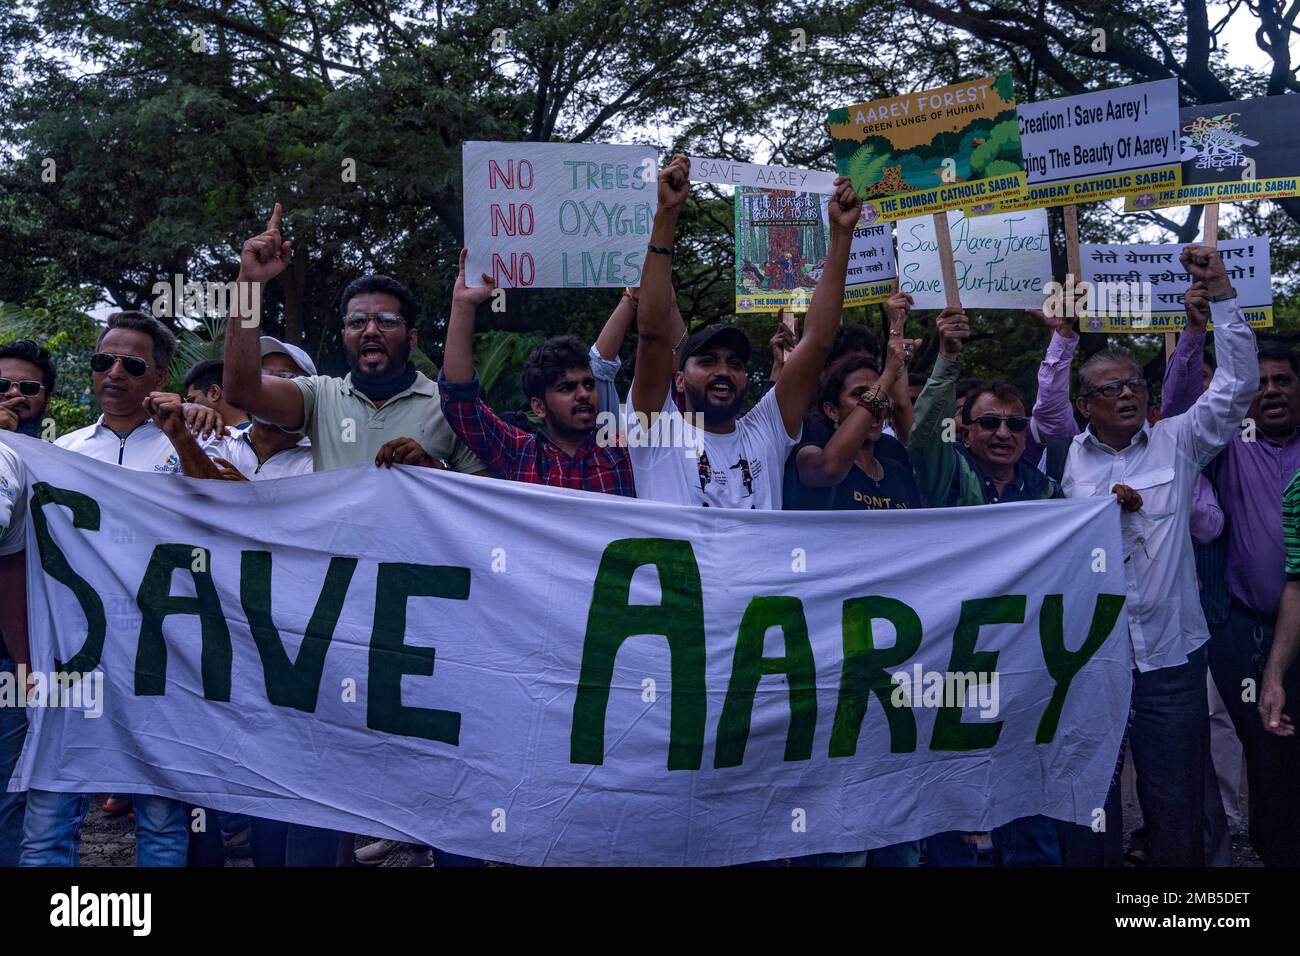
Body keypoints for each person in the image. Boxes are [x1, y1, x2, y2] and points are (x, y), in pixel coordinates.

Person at [1061, 244, 1259, 867]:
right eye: (1107, 387)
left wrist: (1222, 295)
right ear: (1084, 405)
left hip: (1171, 659)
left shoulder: (1178, 442)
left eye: (1133, 384)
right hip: (1089, 663)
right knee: (1089, 804)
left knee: (1175, 803)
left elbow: (1236, 387)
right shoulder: (1057, 461)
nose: (1124, 393)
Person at [19, 310, 220, 867]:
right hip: (73, 650)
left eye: (132, 364)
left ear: (159, 377)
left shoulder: (191, 438)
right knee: (50, 813)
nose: (114, 373)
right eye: (102, 361)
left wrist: (184, 435)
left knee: (160, 818)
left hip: (162, 650)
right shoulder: (61, 451)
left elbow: (234, 514)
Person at [909, 304, 1071, 865]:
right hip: (950, 661)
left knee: (1026, 791)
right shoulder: (945, 469)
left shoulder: (1048, 492)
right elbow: (923, 425)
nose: (1005, 432)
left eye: (1016, 423)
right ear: (966, 429)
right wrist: (948, 359)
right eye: (990, 423)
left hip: (1024, 667)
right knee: (953, 791)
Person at [626, 155, 861, 509]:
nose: (723, 371)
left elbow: (816, 343)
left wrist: (842, 235)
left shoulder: (766, 432)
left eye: (735, 363)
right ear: (677, 379)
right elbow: (654, 334)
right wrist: (667, 215)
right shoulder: (655, 432)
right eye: (707, 361)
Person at [1160, 290, 1300, 866]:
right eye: (1260, 382)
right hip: (1243, 631)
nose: (1270, 390)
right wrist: (1194, 336)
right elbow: (1174, 408)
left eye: (1283, 380)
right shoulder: (1226, 447)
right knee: (1270, 752)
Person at [222, 204, 485, 478]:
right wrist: (249, 284)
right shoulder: (320, 397)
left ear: (412, 338)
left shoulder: (447, 407)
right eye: (357, 322)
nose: (370, 331)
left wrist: (434, 470)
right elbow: (242, 390)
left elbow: (482, 502)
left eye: (386, 321)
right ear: (344, 335)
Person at [437, 249, 634, 495]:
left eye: (588, 384)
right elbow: (461, 404)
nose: (583, 394)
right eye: (566, 388)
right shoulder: (518, 454)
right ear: (539, 407)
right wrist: (463, 304)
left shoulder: (626, 451)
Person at [784, 309, 925, 512]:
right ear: (831, 410)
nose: (876, 402)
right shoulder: (807, 444)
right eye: (860, 394)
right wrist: (887, 377)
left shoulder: (895, 462)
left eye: (879, 395)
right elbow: (828, 469)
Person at [154, 338, 316, 481]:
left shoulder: (319, 461)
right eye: (260, 375)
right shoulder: (215, 439)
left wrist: (248, 494)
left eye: (285, 377)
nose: (269, 384)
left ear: (310, 393)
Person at [0, 433, 32, 864]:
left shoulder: (16, 462)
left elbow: (7, 573)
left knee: (11, 792)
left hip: (9, 662)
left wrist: (26, 666)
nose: (12, 397)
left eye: (28, 389)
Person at [0, 340, 56, 437]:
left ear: (47, 401)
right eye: (1, 385)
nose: (14, 393)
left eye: (29, 387)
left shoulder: (56, 451)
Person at [183, 358, 250, 431]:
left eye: (191, 400)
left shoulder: (257, 437)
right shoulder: (258, 434)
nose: (190, 406)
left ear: (214, 393)